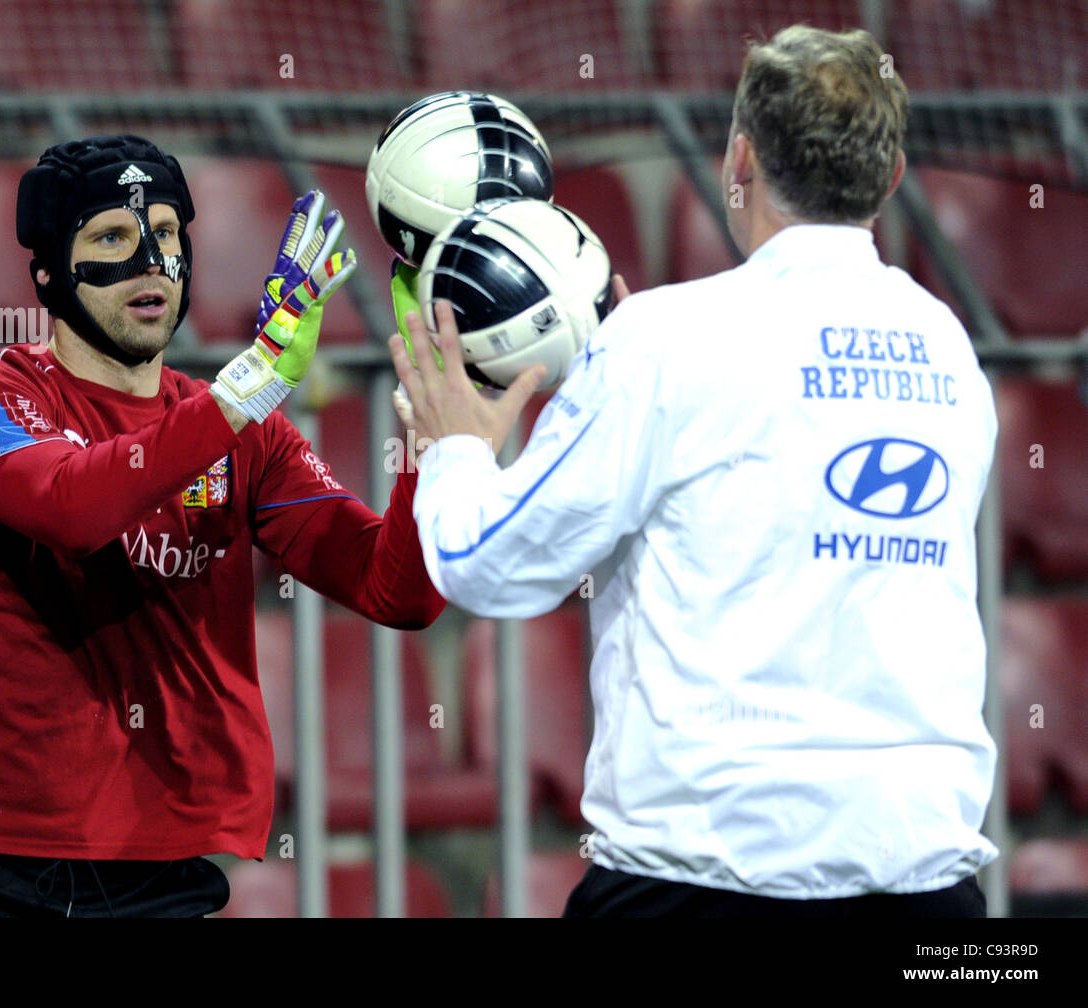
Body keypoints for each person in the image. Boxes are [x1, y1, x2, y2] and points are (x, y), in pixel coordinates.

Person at [391, 25, 996, 917]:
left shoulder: (667, 340)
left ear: (737, 159)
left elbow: (493, 561)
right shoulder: (950, 350)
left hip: (701, 888)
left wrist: (457, 447)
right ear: (892, 177)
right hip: (932, 898)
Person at [0, 134, 444, 917]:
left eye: (166, 234)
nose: (151, 263)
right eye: (112, 238)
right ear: (48, 272)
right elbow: (72, 511)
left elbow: (395, 591)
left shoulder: (244, 430)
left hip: (153, 877)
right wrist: (251, 383)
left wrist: (436, 444)